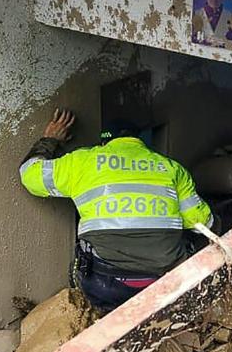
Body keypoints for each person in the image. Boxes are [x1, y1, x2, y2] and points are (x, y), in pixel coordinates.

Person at [19, 109, 214, 312]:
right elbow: (202, 223)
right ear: (138, 141)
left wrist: (49, 140)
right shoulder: (171, 168)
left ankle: (103, 315)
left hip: (105, 284)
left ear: (104, 143)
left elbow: (29, 175)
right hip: (163, 281)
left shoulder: (83, 162)